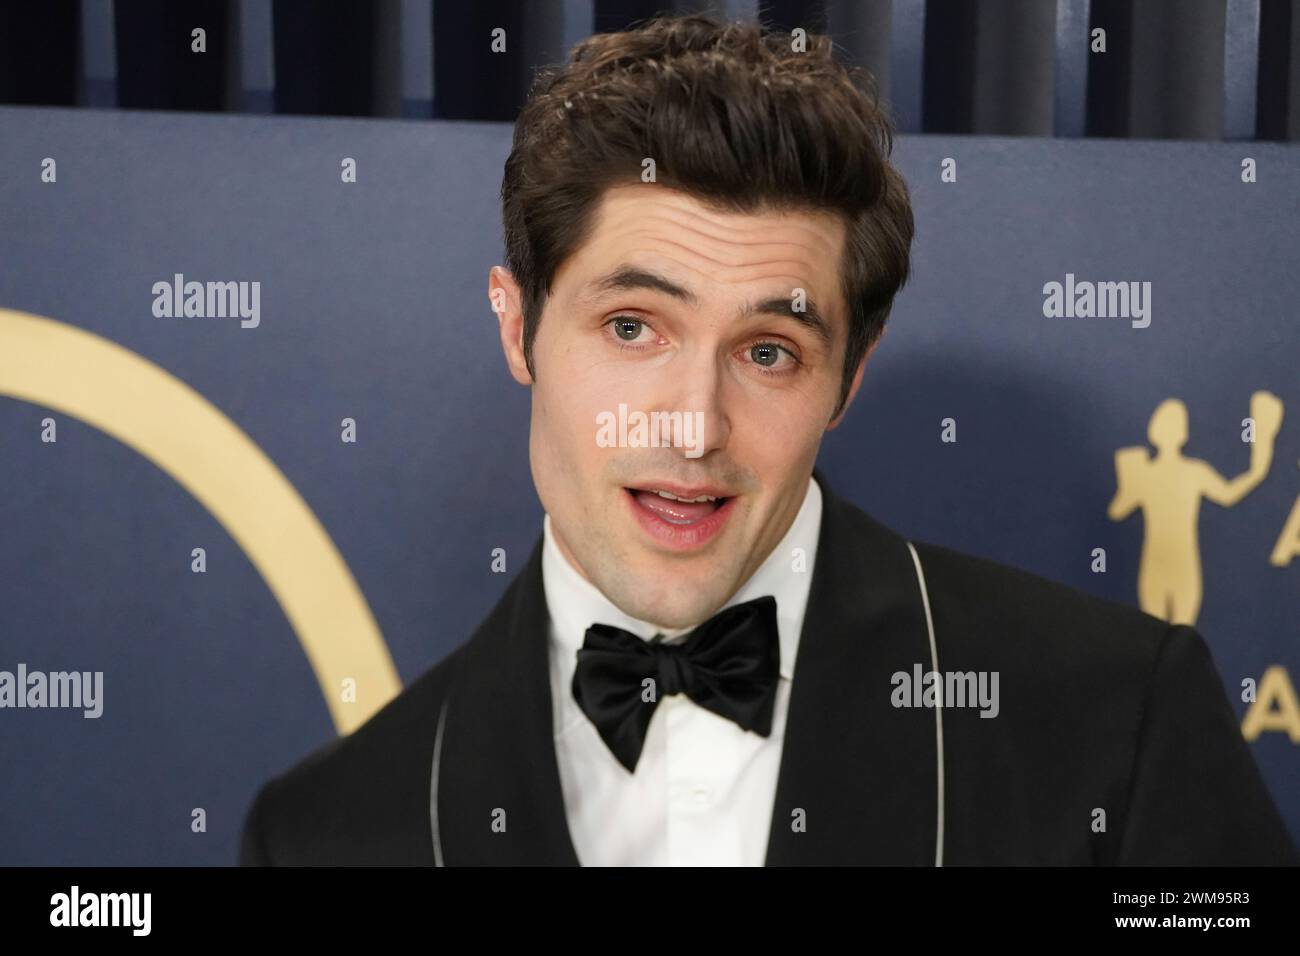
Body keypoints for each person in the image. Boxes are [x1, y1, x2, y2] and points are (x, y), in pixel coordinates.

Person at [239, 13, 1296, 866]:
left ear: (848, 375)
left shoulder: (1117, 722)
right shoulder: (328, 831)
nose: (693, 427)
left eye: (769, 350)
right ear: (516, 326)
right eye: (631, 327)